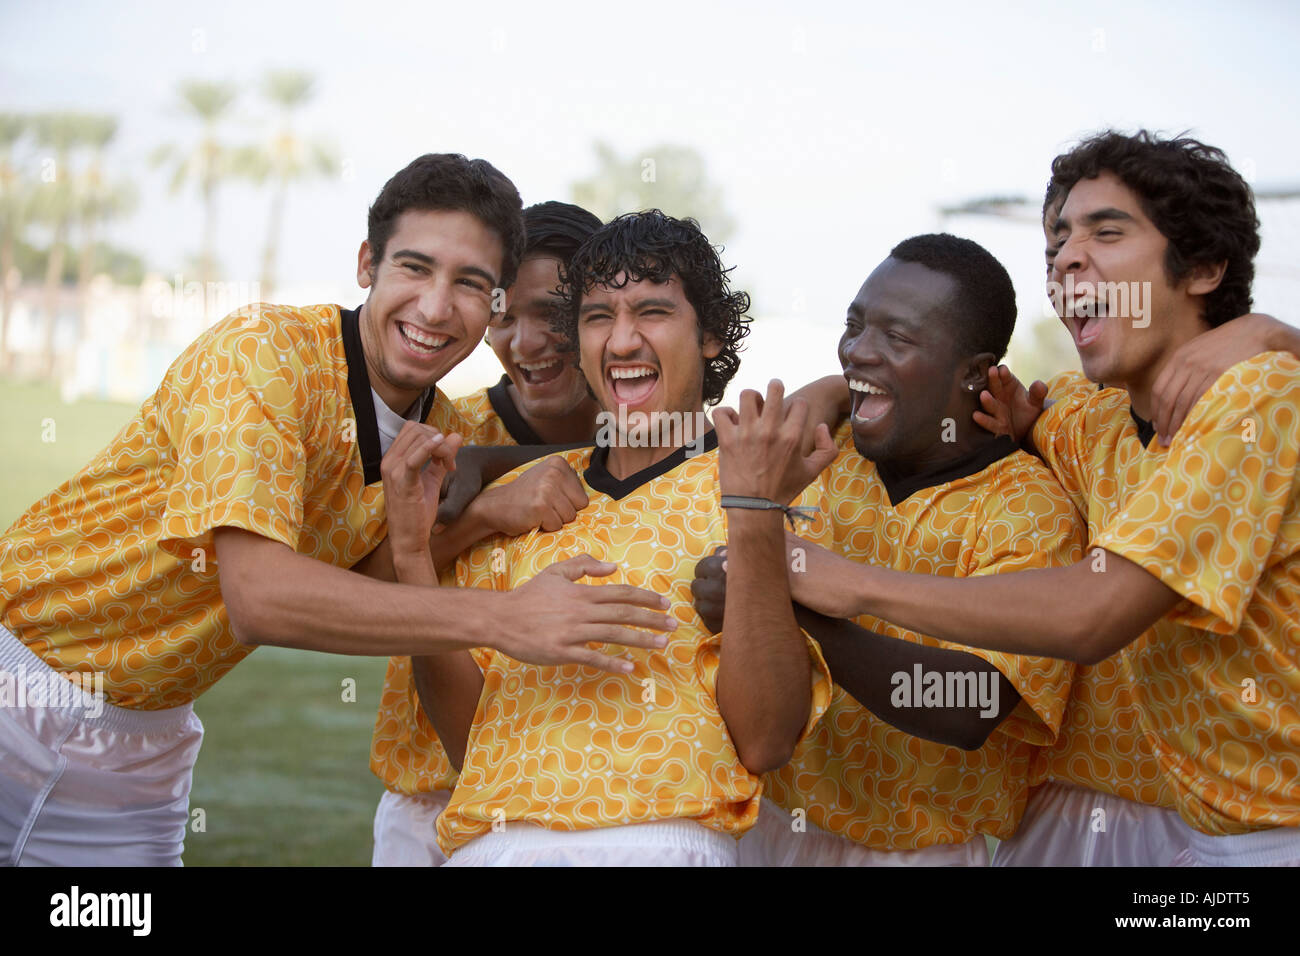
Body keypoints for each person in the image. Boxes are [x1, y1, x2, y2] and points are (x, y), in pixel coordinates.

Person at [0, 155, 670, 866]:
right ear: (366, 264)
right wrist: (505, 618)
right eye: (415, 268)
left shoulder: (434, 419)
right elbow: (260, 596)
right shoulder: (263, 354)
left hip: (148, 736)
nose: (437, 307)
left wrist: (477, 519)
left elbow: (363, 587)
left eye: (471, 284)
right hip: (20, 681)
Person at [772, 131, 1300, 866]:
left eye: (1105, 231)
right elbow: (975, 394)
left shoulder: (1258, 390)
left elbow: (1093, 613)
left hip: (1267, 829)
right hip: (1142, 817)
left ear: (1205, 266)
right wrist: (838, 385)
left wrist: (843, 585)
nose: (1065, 258)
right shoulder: (1091, 415)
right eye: (1056, 242)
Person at [386, 210, 833, 865]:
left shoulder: (764, 485)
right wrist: (411, 557)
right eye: (599, 317)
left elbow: (767, 741)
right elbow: (466, 743)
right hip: (491, 847)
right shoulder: (527, 498)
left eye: (651, 312)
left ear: (710, 335)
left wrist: (754, 516)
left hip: (661, 844)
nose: (622, 341)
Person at [693, 234, 1086, 865]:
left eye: (897, 339)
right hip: (767, 833)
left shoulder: (1030, 507)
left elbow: (971, 705)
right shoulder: (818, 451)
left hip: (921, 853)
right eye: (854, 325)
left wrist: (778, 605)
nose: (858, 352)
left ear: (972, 372)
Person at [369, 200, 606, 866]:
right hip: (432, 795)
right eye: (503, 315)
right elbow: (363, 585)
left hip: (583, 801)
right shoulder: (446, 429)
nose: (525, 343)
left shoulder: (655, 439)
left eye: (554, 315)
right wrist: (483, 514)